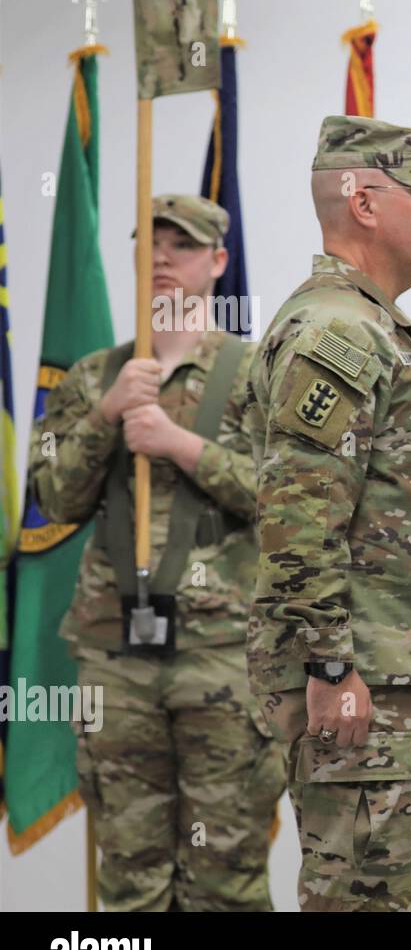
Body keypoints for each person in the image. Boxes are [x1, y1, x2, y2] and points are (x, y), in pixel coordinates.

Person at [249, 115, 411, 912]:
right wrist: (328, 664)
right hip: (362, 680)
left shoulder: (366, 321)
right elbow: (300, 516)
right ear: (363, 202)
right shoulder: (337, 331)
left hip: (386, 672)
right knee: (355, 900)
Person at [29, 194, 285, 911]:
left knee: (226, 872)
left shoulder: (259, 371)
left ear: (218, 262)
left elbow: (293, 498)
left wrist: (184, 447)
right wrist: (106, 417)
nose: (165, 258)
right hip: (116, 651)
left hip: (224, 651)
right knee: (130, 873)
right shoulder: (92, 376)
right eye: (153, 245)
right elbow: (52, 500)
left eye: (184, 244)